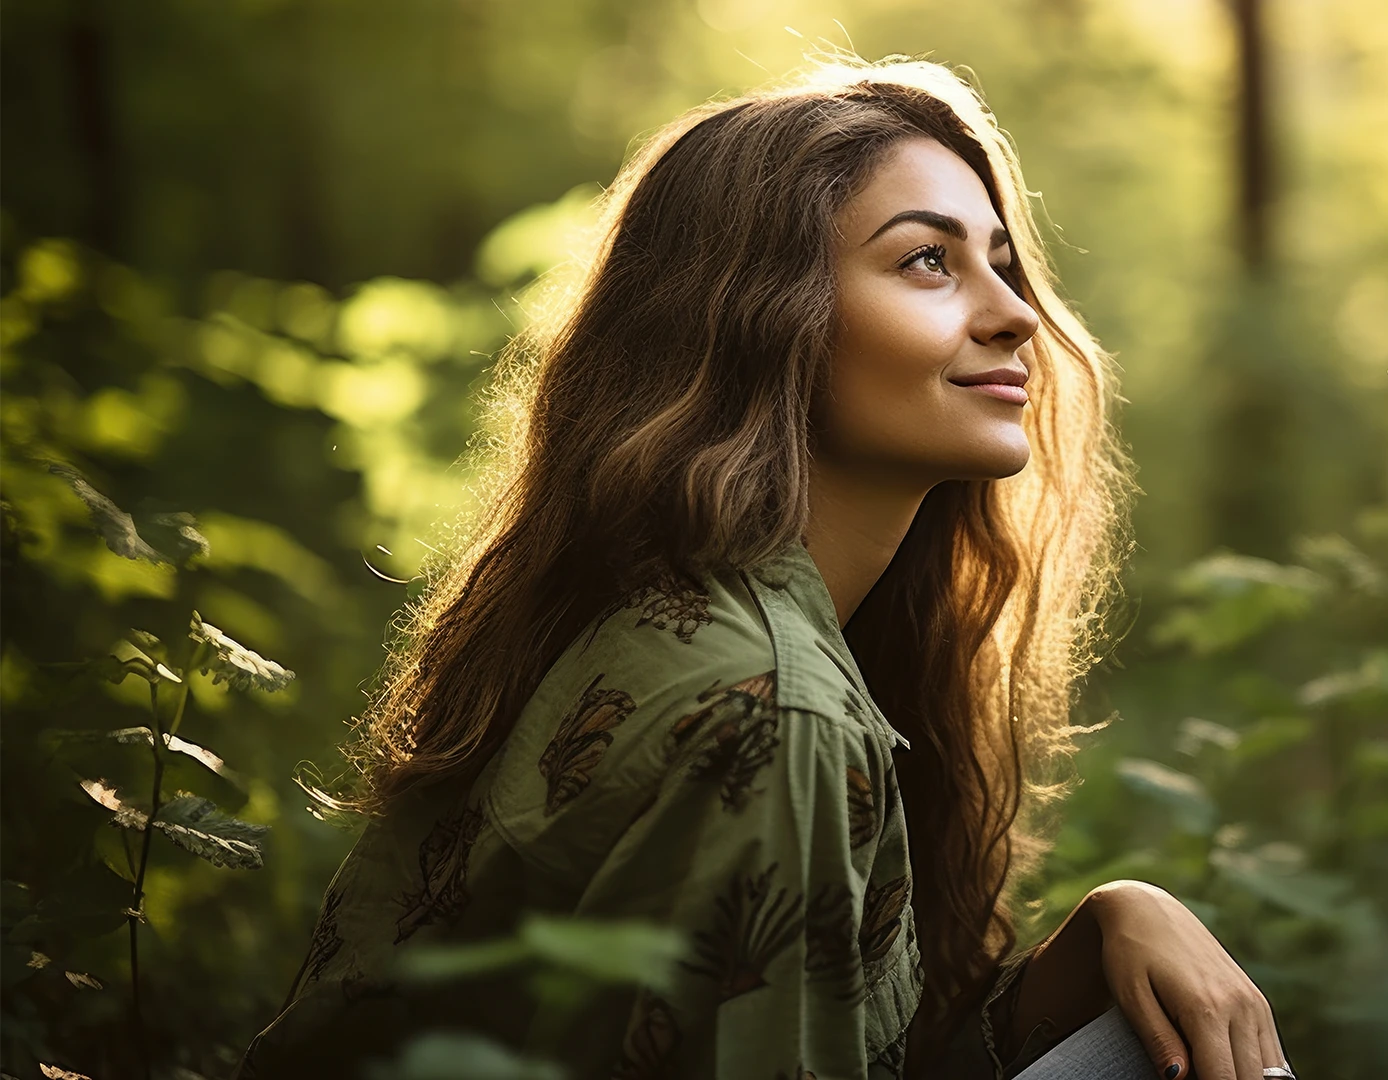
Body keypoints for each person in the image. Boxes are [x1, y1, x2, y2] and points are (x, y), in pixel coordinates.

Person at [237, 57, 1293, 1080]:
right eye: (929, 259)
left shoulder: (681, 614)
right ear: (763, 317)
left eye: (1002, 262)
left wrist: (1110, 921)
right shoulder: (771, 709)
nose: (1016, 313)